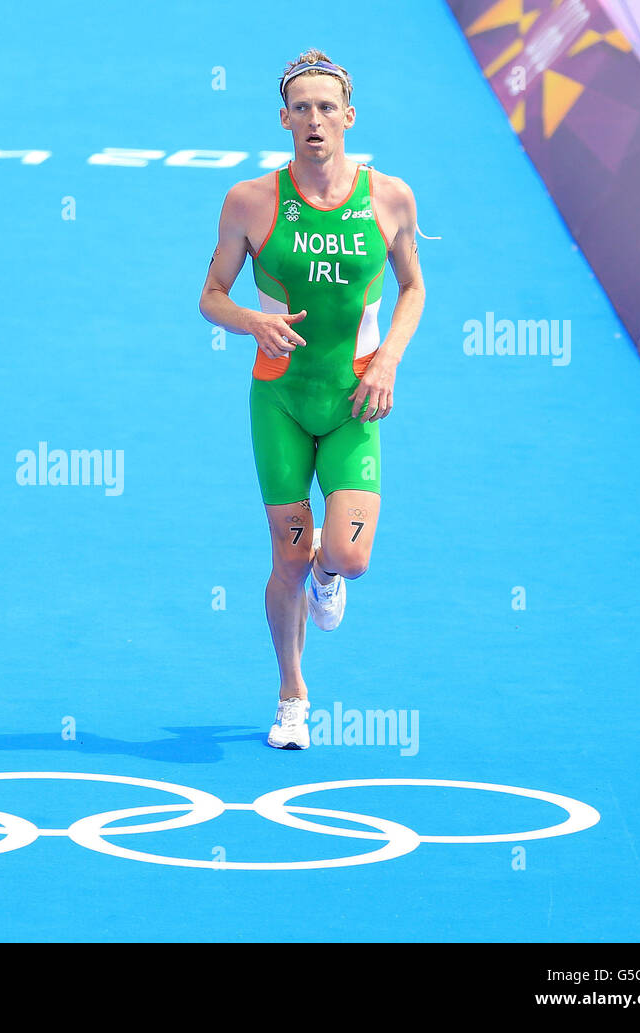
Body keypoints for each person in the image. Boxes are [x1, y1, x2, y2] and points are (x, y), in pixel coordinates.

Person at [198, 49, 426, 749]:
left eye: (328, 108)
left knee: (347, 559)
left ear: (349, 117)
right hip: (281, 402)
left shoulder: (389, 197)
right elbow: (210, 298)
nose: (315, 120)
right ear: (284, 120)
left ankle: (332, 571)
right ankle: (291, 689)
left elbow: (414, 287)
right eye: (303, 109)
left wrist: (387, 358)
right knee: (287, 558)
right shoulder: (250, 201)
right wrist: (253, 320)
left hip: (356, 400)